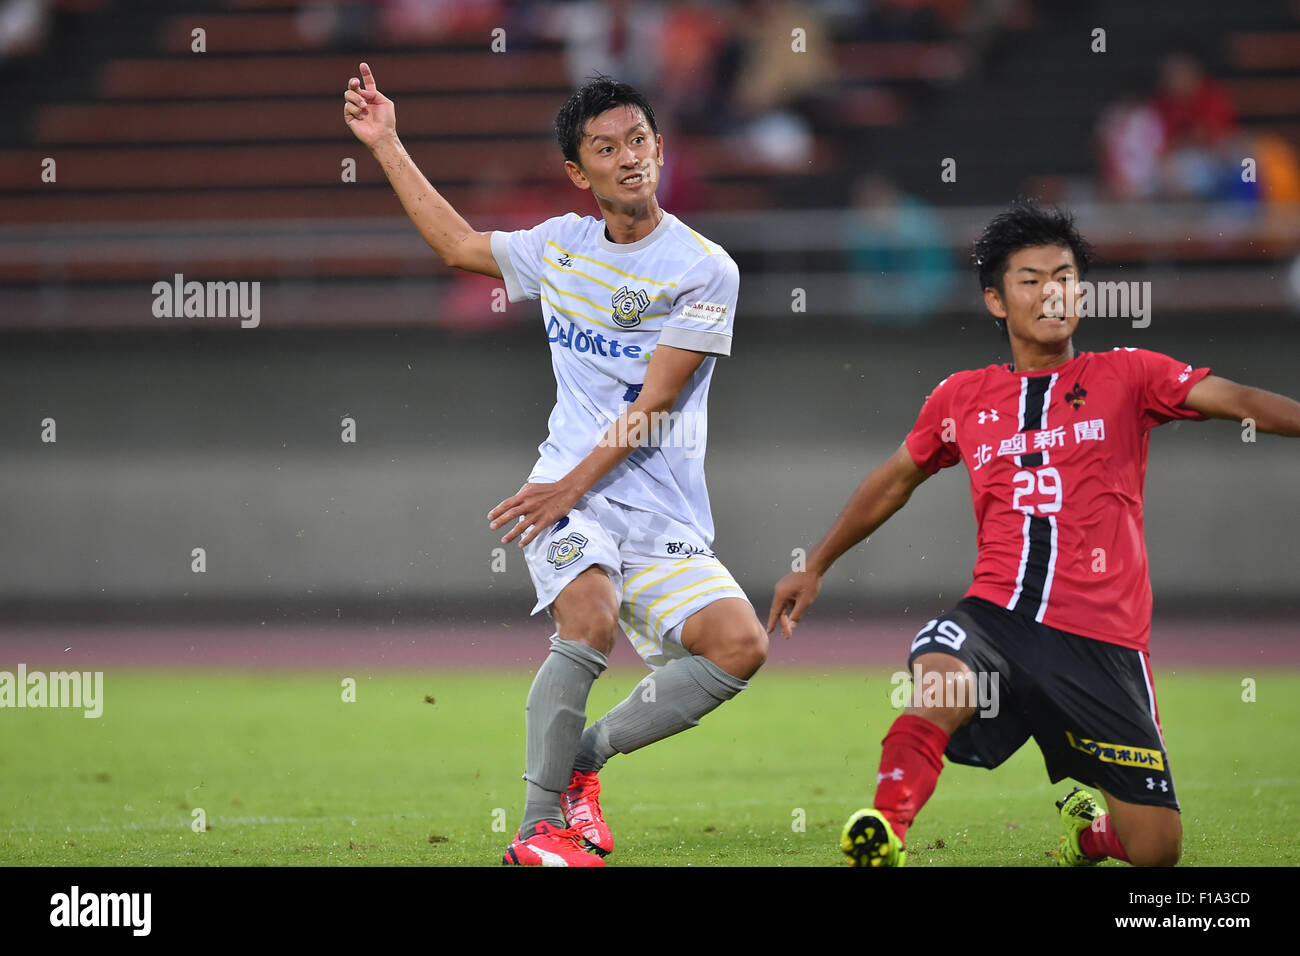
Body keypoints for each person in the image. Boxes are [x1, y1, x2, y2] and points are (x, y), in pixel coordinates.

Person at [769, 200, 1300, 867]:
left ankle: (1086, 836)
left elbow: (1240, 402)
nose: (1053, 291)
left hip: (1102, 643)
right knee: (939, 678)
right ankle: (886, 828)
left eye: (1065, 276)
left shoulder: (1130, 374)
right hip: (998, 618)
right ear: (996, 300)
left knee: (1156, 850)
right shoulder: (962, 397)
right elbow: (894, 480)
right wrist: (815, 564)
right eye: (1031, 278)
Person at [344, 65, 768, 867]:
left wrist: (571, 485)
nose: (630, 157)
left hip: (652, 505)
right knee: (590, 620)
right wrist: (387, 142)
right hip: (566, 493)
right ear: (580, 173)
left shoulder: (706, 267)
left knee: (740, 645)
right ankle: (538, 825)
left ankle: (580, 757)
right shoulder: (559, 247)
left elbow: (657, 407)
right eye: (606, 148)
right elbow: (457, 244)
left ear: (660, 146)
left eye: (639, 139)